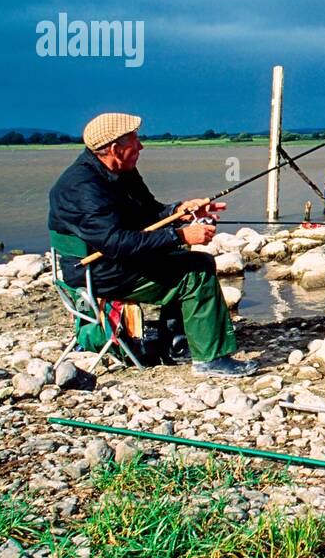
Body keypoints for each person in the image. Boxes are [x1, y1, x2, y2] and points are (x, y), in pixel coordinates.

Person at [48, 112, 257, 377]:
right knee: (196, 269)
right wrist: (181, 236)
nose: (141, 146)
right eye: (135, 141)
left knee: (180, 255)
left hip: (111, 260)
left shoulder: (121, 171)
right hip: (97, 271)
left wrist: (180, 211)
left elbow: (149, 213)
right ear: (115, 148)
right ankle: (210, 359)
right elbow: (116, 243)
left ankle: (176, 343)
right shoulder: (82, 188)